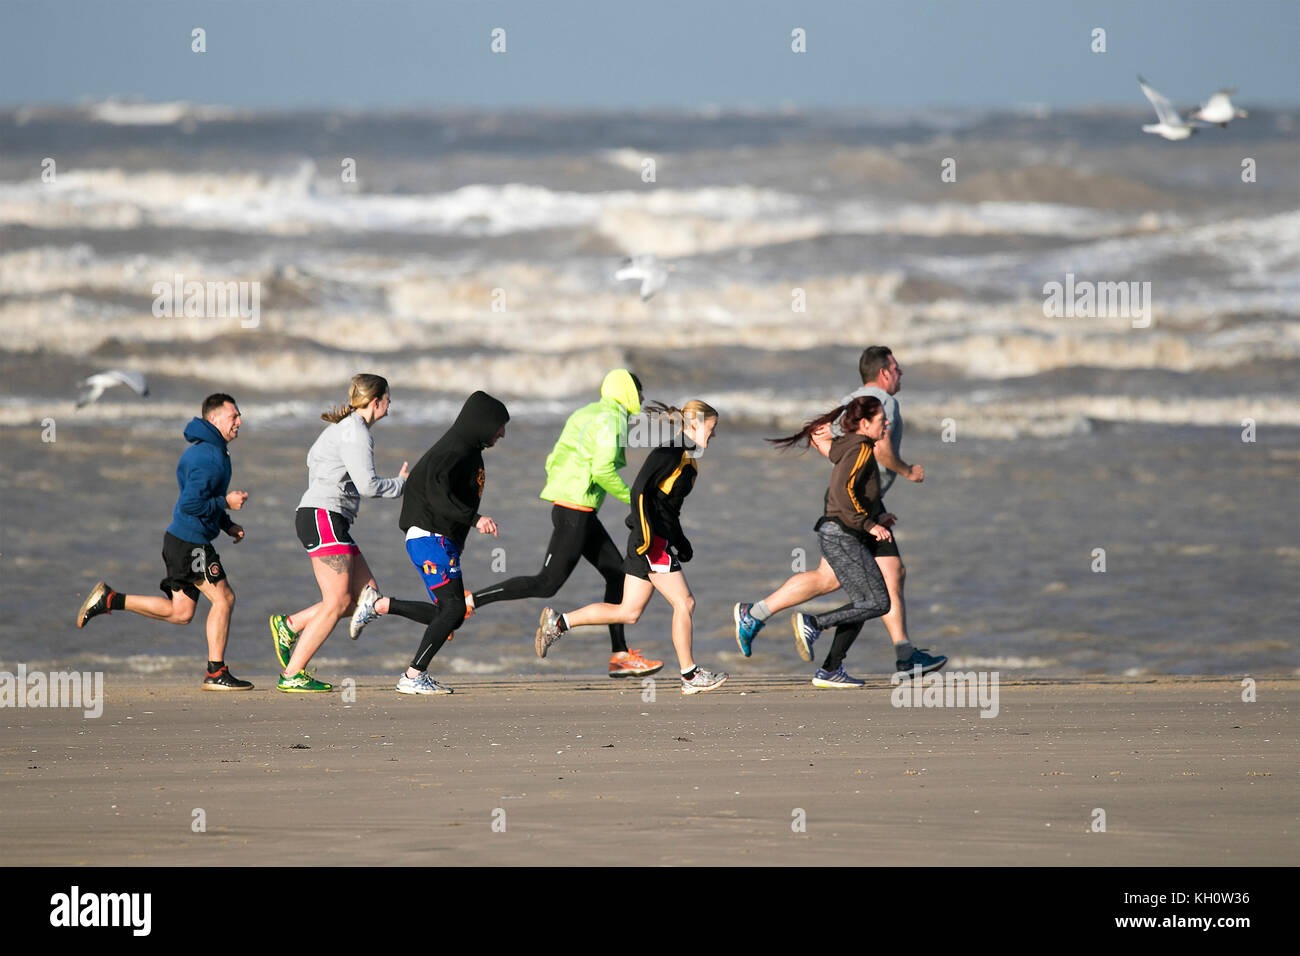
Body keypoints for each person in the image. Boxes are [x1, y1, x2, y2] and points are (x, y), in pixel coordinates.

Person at [733, 346, 945, 675]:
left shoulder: (852, 400)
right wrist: (907, 471)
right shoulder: (882, 401)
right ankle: (900, 657)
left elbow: (821, 437)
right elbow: (882, 449)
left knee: (836, 579)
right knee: (878, 583)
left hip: (859, 506)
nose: (901, 374)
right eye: (897, 368)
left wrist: (848, 471)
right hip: (853, 510)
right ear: (884, 372)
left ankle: (758, 615)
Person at [465, 369, 663, 678]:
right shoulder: (613, 419)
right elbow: (601, 470)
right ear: (627, 392)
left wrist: (565, 487)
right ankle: (472, 601)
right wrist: (635, 499)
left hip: (572, 508)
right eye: (638, 393)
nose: (640, 399)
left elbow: (553, 457)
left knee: (617, 574)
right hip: (576, 512)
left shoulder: (586, 412)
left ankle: (620, 655)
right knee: (547, 583)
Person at [535, 401, 728, 695]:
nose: (713, 435)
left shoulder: (688, 459)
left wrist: (681, 541)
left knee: (628, 611)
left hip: (652, 540)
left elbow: (666, 508)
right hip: (650, 542)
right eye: (711, 429)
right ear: (695, 425)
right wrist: (649, 536)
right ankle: (690, 675)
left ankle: (558, 623)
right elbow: (639, 490)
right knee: (684, 603)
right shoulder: (670, 452)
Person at [76, 393, 253, 690]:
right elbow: (190, 504)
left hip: (180, 540)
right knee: (224, 599)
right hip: (191, 544)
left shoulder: (209, 451)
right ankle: (215, 672)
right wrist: (227, 503)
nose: (239, 421)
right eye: (233, 416)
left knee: (180, 613)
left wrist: (227, 525)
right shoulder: (209, 456)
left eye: (239, 415)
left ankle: (109, 599)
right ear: (214, 419)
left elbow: (200, 500)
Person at [350, 390, 509, 696]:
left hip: (439, 540)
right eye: (498, 425)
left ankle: (379, 605)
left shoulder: (468, 450)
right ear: (482, 422)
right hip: (428, 536)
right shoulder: (454, 450)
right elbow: (436, 494)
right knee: (452, 610)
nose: (502, 433)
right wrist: (475, 519)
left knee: (451, 614)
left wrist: (458, 546)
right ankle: (412, 676)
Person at [270, 374, 408, 693]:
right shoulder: (355, 431)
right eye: (388, 398)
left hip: (326, 518)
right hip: (323, 517)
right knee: (335, 602)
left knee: (364, 597)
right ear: (376, 402)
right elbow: (368, 486)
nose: (390, 404)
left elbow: (313, 461)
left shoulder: (343, 428)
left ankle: (289, 625)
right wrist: (403, 485)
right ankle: (292, 674)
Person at [766, 397, 896, 687]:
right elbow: (844, 490)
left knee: (864, 603)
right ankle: (813, 623)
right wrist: (869, 524)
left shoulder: (849, 445)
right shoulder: (861, 447)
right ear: (864, 424)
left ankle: (830, 669)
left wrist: (879, 514)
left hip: (840, 534)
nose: (886, 423)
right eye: (881, 420)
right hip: (843, 536)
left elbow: (854, 485)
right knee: (879, 602)